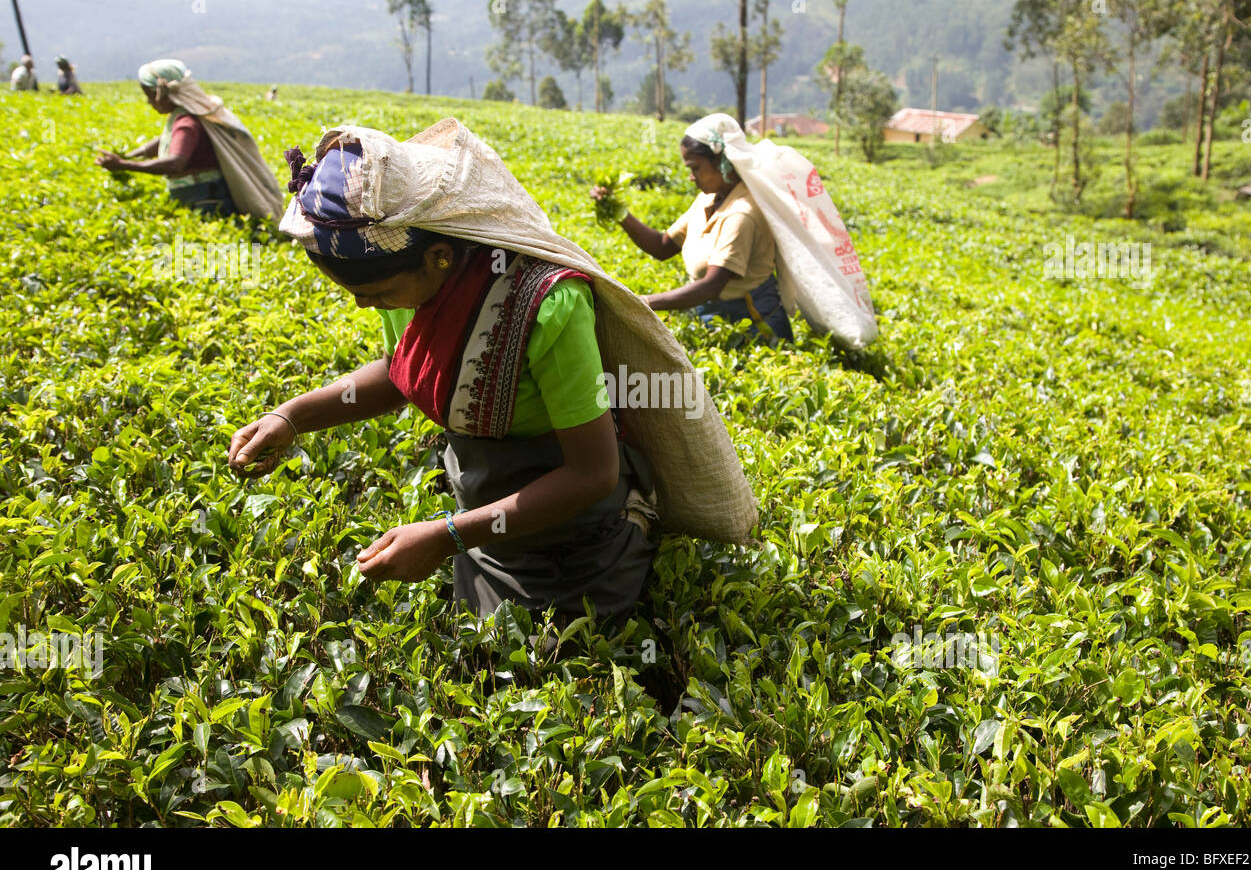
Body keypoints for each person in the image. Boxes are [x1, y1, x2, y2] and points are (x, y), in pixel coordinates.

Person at [225, 121, 756, 628]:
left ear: (437, 256)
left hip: (569, 538)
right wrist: (291, 417)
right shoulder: (405, 270)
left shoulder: (548, 302)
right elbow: (400, 372)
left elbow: (592, 472)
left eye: (379, 295)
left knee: (552, 659)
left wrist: (446, 536)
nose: (370, 307)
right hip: (479, 512)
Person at [596, 113, 794, 344]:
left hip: (753, 326)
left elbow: (711, 286)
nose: (691, 177)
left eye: (696, 168)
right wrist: (617, 211)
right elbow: (662, 247)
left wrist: (644, 302)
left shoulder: (742, 213)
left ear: (723, 163)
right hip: (714, 319)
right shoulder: (708, 199)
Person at [94, 59, 281, 219]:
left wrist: (124, 165)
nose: (149, 102)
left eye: (149, 96)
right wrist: (132, 155)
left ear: (163, 95)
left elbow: (175, 163)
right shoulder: (186, 115)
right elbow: (166, 140)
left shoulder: (187, 121)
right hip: (203, 196)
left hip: (206, 200)